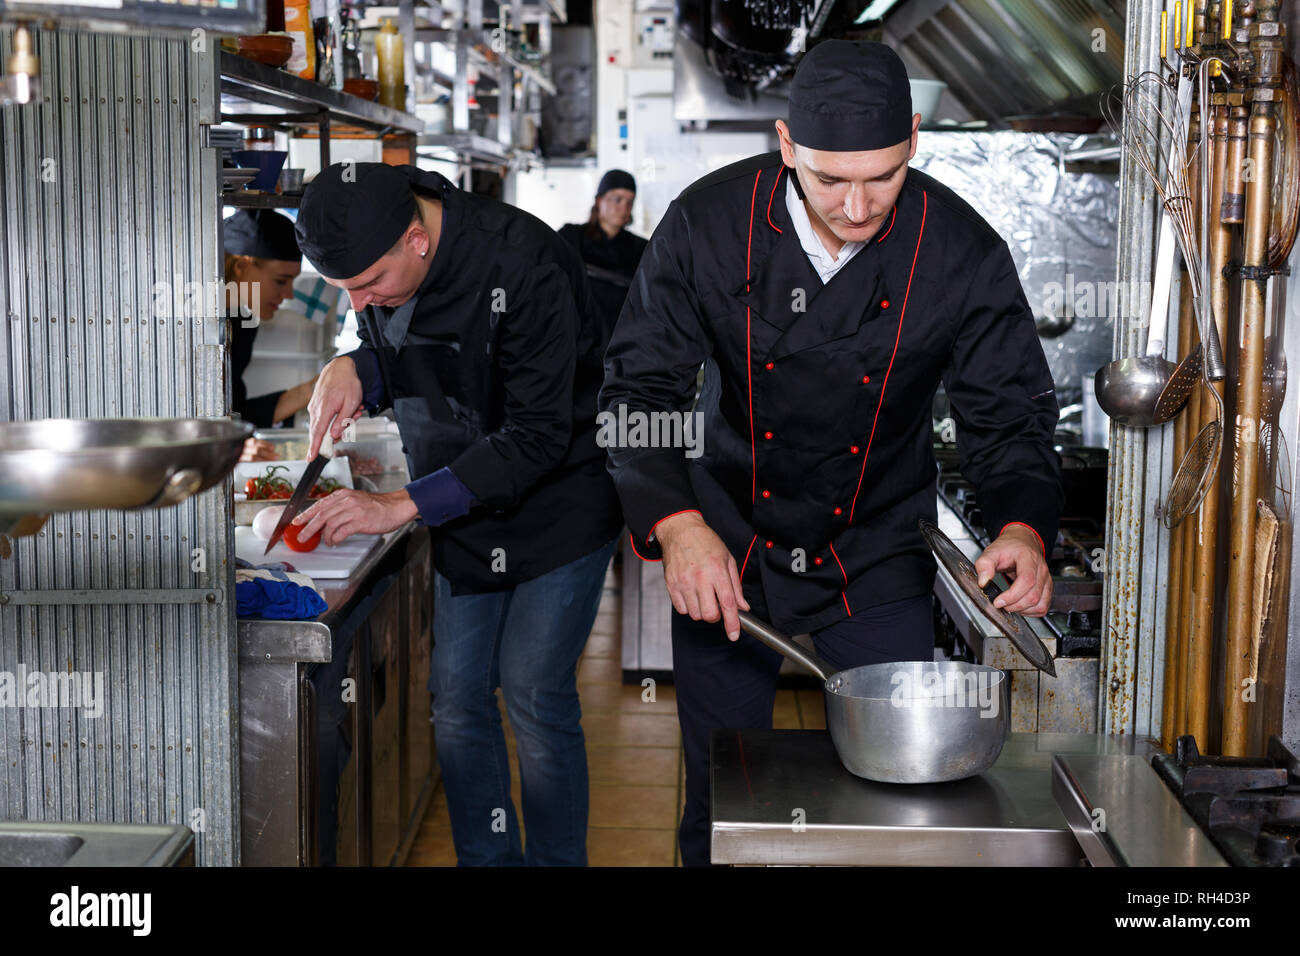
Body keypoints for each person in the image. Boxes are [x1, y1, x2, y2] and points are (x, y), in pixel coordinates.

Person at [599, 40, 1064, 866]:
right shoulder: (707, 225)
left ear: (914, 141)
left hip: (875, 549)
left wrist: (1024, 525)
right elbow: (637, 396)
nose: (855, 205)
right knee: (721, 791)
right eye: (829, 179)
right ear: (785, 147)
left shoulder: (959, 250)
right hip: (728, 544)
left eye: (881, 177)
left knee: (899, 801)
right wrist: (675, 523)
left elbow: (1010, 414)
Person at [292, 162, 623, 866]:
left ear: (418, 240)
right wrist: (358, 367)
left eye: (369, 284)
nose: (359, 303)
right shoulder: (386, 262)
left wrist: (401, 504)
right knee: (459, 702)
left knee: (534, 694)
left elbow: (538, 434)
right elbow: (422, 359)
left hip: (560, 503)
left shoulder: (528, 263)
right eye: (345, 290)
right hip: (464, 508)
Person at [222, 209, 317, 461]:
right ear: (242, 266)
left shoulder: (243, 320)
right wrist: (226, 448)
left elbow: (234, 414)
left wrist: (311, 391)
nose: (289, 295)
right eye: (280, 281)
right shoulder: (194, 324)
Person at [558, 169, 648, 341]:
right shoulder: (571, 237)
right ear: (599, 200)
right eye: (617, 199)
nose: (624, 208)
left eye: (630, 202)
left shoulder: (640, 248)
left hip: (620, 342)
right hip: (577, 340)